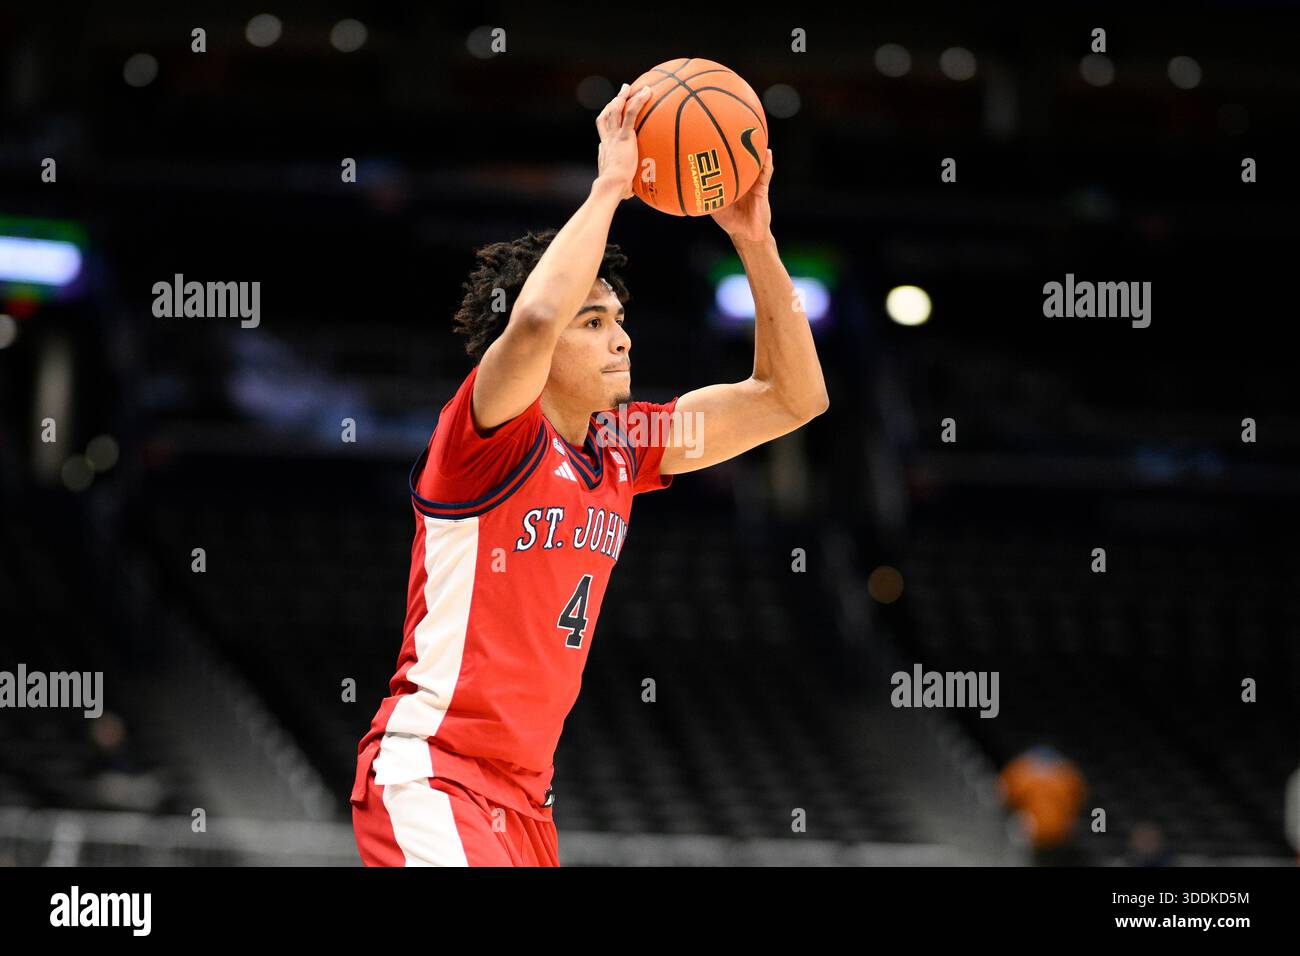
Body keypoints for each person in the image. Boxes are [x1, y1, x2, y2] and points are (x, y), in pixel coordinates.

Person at [351, 82, 829, 866]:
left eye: (621, 319)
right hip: (437, 775)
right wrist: (611, 184)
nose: (623, 339)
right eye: (596, 321)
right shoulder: (487, 435)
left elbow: (793, 398)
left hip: (528, 801)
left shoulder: (623, 444)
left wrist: (755, 239)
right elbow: (535, 317)